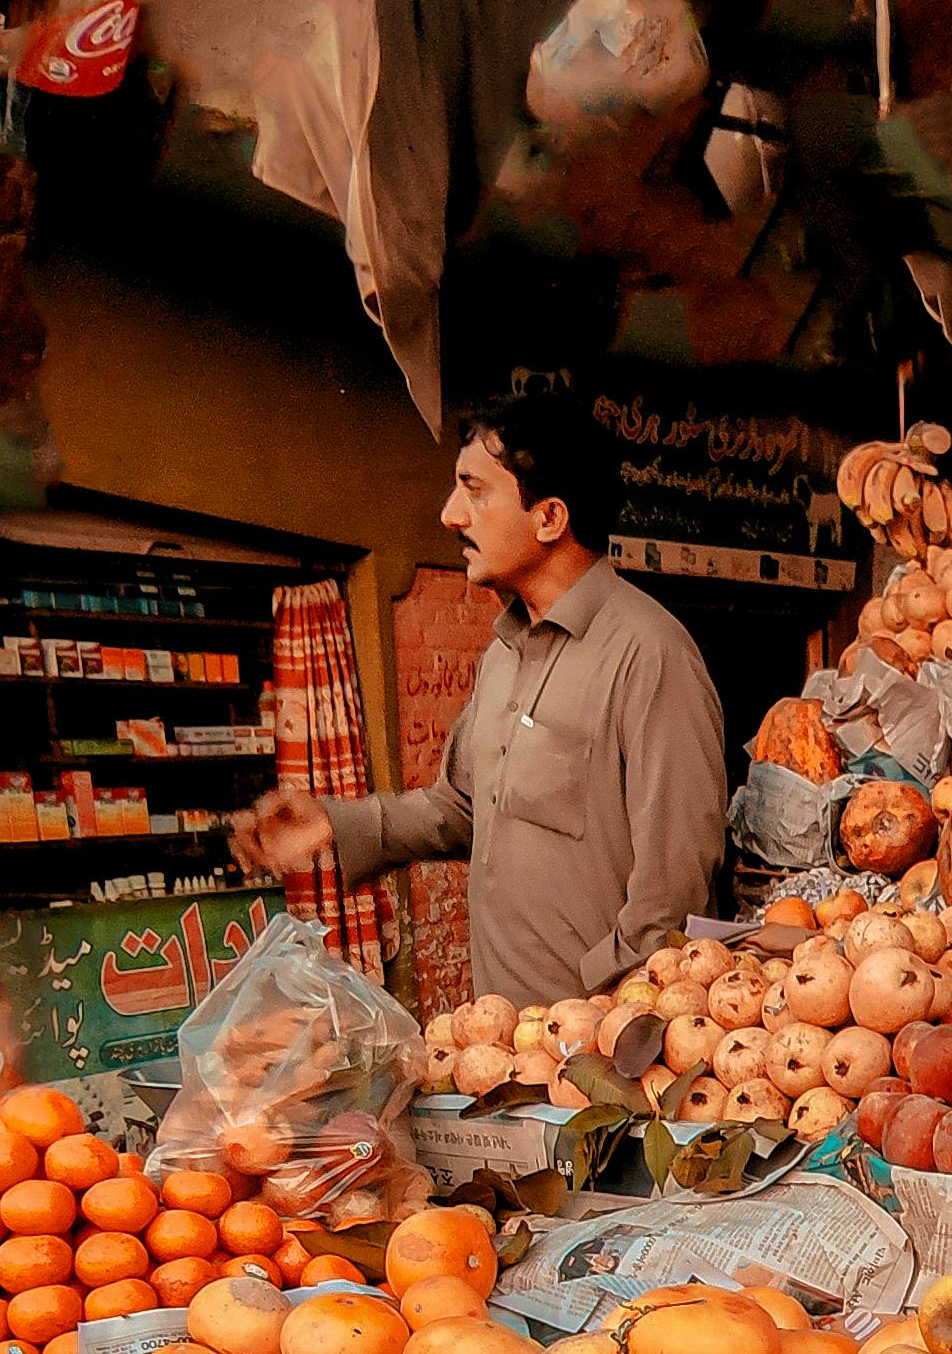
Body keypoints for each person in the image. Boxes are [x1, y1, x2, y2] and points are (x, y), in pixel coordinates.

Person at [231, 390, 725, 1008]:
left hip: (599, 1055)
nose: (450, 515)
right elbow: (465, 807)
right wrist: (335, 822)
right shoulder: (503, 656)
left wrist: (595, 1015)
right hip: (503, 1046)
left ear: (550, 517)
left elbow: (672, 898)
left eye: (476, 490)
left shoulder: (650, 655)